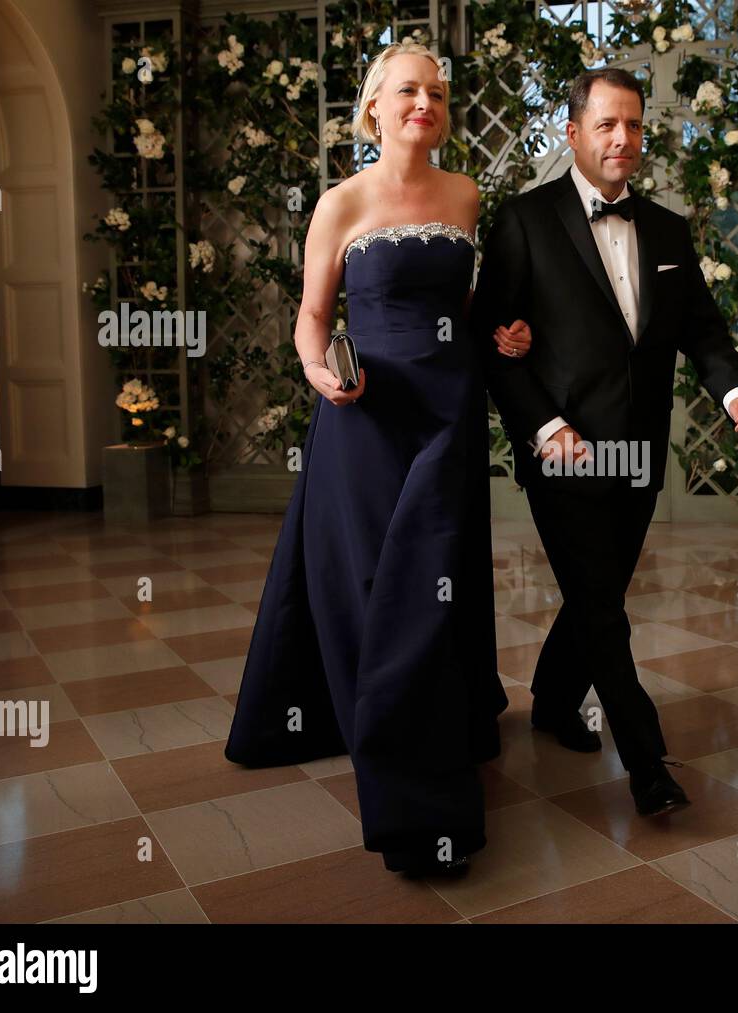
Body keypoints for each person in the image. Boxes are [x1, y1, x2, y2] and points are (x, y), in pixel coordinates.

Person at [224, 43, 530, 878]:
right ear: (374, 107)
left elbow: (463, 307)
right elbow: (311, 318)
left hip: (450, 412)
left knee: (434, 581)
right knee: (377, 590)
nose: (424, 103)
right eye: (407, 91)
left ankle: (447, 728)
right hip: (366, 420)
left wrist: (499, 330)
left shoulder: (466, 196)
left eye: (436, 92)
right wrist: (322, 373)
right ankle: (415, 800)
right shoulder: (341, 201)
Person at [471, 68, 738, 817]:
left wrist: (734, 388)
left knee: (597, 590)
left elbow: (701, 328)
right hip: (562, 450)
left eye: (633, 125)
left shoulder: (668, 229)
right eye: (606, 124)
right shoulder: (524, 221)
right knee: (604, 607)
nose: (623, 139)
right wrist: (545, 426)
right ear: (573, 133)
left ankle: (552, 698)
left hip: (640, 451)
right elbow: (491, 343)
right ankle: (647, 765)